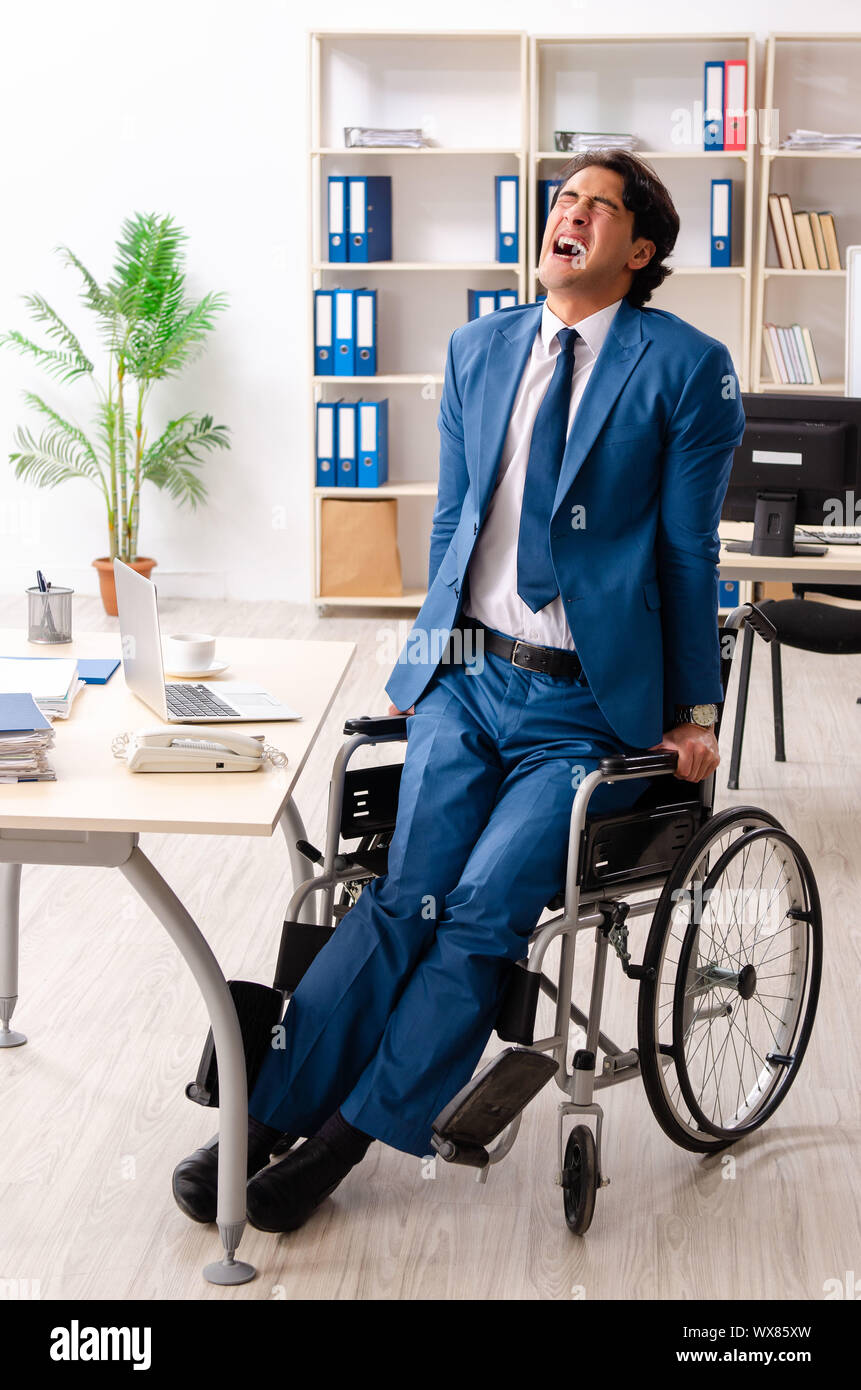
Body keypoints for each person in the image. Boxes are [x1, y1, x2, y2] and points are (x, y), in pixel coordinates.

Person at [173, 149, 746, 1233]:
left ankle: (347, 1135)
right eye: (561, 199)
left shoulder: (685, 367)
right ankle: (275, 1109)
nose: (566, 214)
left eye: (595, 205)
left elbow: (685, 553)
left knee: (482, 913)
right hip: (469, 684)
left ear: (641, 248)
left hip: (584, 711)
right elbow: (455, 524)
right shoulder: (480, 347)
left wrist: (696, 714)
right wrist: (414, 671)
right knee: (397, 896)